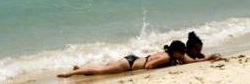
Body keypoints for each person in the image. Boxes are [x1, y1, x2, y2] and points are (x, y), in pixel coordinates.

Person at [57, 40, 188, 78]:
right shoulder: (166, 57)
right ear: (175, 52)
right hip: (129, 65)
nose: (182, 56)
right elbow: (149, 66)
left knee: (102, 67)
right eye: (181, 53)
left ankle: (80, 69)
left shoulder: (165, 53)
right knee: (100, 71)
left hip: (131, 60)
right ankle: (69, 73)